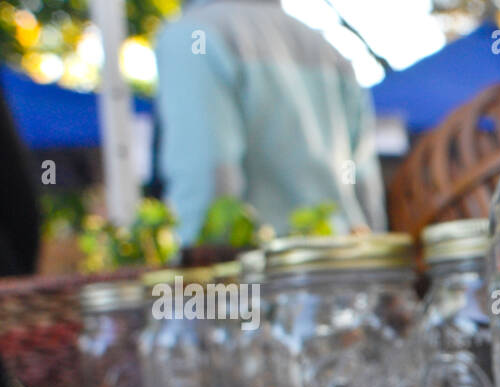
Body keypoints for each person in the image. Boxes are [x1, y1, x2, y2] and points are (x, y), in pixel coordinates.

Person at [153, 0, 387, 244]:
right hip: (347, 260)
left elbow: (208, 174)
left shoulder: (192, 36)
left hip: (261, 272)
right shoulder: (328, 50)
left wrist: (194, 270)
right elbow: (364, 181)